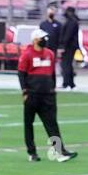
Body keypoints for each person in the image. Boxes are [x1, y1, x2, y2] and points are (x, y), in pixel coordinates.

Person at [18, 27, 76, 162]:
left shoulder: (50, 54)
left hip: (48, 95)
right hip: (32, 94)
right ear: (35, 40)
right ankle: (32, 153)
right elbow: (21, 74)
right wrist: (25, 91)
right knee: (29, 124)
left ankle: (60, 151)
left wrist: (53, 88)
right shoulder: (27, 55)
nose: (45, 40)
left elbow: (52, 73)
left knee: (52, 124)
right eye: (43, 38)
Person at [58, 6, 80, 89]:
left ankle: (67, 83)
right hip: (71, 46)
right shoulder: (74, 21)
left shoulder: (71, 22)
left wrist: (62, 45)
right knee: (68, 65)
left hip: (68, 47)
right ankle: (70, 83)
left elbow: (67, 35)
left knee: (66, 65)